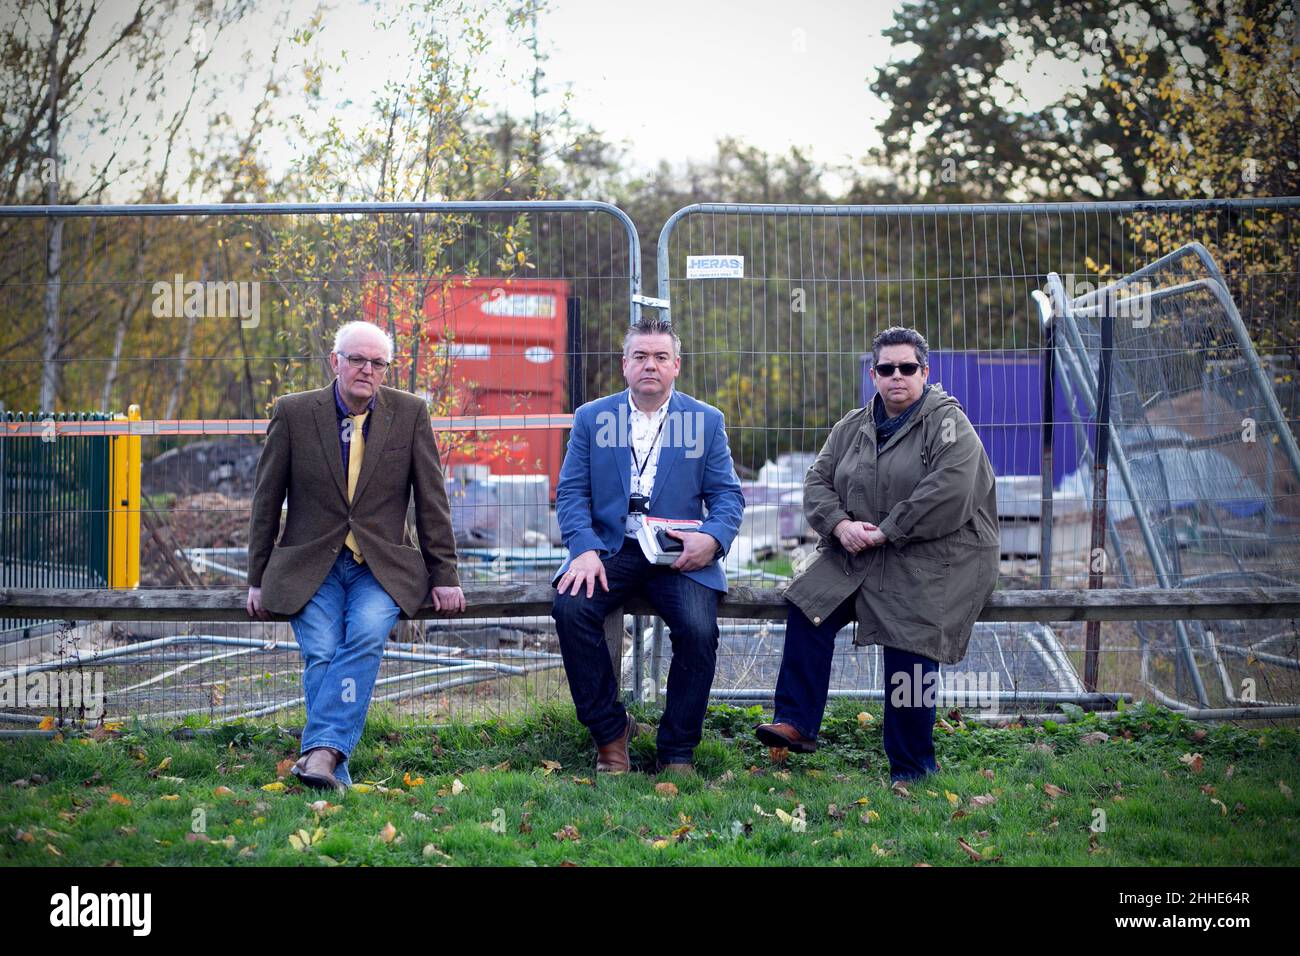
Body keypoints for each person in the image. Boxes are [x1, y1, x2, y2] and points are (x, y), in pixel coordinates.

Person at [755, 327, 999, 784]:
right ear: (874, 374)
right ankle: (796, 723)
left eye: (908, 368)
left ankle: (912, 768)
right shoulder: (853, 426)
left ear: (925, 372)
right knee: (808, 604)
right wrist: (840, 526)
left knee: (910, 639)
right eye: (886, 369)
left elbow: (950, 491)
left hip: (934, 555)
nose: (897, 377)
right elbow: (816, 482)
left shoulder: (948, 423)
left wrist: (888, 531)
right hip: (861, 548)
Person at [246, 320, 464, 791]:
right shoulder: (294, 413)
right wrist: (256, 577)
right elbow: (267, 500)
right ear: (336, 362)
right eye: (357, 359)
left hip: (381, 567)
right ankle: (329, 764)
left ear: (386, 369)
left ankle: (319, 754)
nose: (367, 369)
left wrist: (445, 573)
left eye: (377, 363)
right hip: (310, 565)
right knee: (321, 651)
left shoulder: (410, 414)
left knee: (364, 634)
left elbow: (432, 500)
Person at [552, 316, 745, 775]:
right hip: (608, 548)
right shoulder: (592, 418)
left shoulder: (706, 420)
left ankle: (676, 750)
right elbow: (572, 492)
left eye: (661, 357)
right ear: (625, 365)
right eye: (640, 356)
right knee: (570, 608)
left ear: (676, 365)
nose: (650, 366)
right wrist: (581, 549)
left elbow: (727, 497)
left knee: (699, 632)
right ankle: (610, 732)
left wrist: (711, 540)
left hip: (677, 549)